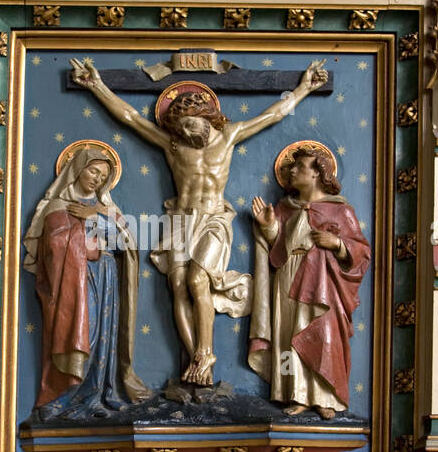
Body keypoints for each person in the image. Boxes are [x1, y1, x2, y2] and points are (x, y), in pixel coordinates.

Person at [70, 58, 329, 387]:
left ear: (205, 116)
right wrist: (97, 86)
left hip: (213, 218)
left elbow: (273, 114)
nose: (185, 132)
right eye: (179, 128)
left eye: (190, 125)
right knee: (177, 285)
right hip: (180, 219)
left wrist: (305, 87)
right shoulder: (173, 144)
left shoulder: (229, 135)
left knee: (196, 281)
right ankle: (198, 362)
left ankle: (206, 353)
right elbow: (131, 118)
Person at [23, 143, 150, 418]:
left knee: (103, 336)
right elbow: (54, 246)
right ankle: (65, 398)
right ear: (79, 169)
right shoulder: (58, 205)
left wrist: (96, 218)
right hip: (73, 279)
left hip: (105, 276)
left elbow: (126, 244)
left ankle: (96, 395)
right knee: (84, 331)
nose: (97, 179)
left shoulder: (106, 208)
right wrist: (84, 238)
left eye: (103, 177)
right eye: (93, 172)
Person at [248, 143, 371, 419]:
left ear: (317, 174)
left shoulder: (342, 211)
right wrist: (268, 226)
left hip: (322, 283)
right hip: (288, 275)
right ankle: (295, 393)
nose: (292, 170)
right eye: (292, 166)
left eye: (300, 166)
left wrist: (337, 243)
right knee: (288, 337)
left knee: (320, 334)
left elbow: (362, 252)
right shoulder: (285, 207)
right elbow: (277, 246)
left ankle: (324, 394)